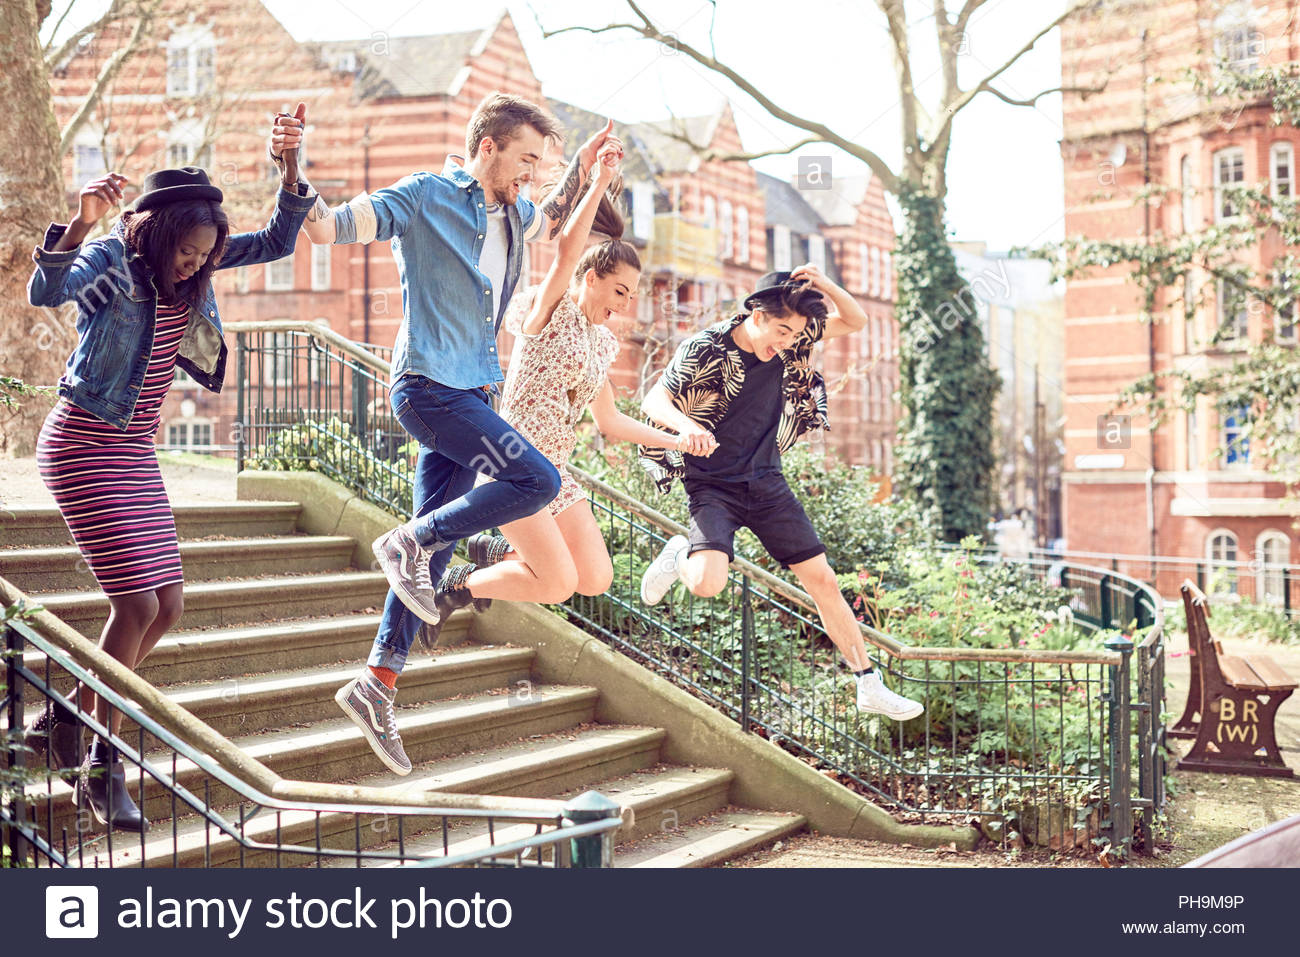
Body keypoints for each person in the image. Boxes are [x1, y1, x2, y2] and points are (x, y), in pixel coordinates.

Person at [290, 92, 619, 775]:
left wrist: (585, 175)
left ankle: (376, 683)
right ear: (487, 147)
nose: (531, 172)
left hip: (473, 391)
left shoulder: (513, 212)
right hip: (428, 389)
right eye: (524, 157)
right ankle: (404, 541)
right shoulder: (423, 195)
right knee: (537, 479)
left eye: (540, 162)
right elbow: (325, 229)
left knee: (431, 560)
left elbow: (560, 231)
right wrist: (293, 167)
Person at [25, 109, 318, 830]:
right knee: (137, 607)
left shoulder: (202, 267)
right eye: (185, 251)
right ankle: (100, 764)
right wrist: (80, 223)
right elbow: (45, 292)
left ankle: (65, 717)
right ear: (157, 233)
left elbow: (281, 238)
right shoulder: (113, 266)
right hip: (82, 445)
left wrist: (289, 166)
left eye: (204, 254)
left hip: (134, 452)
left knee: (171, 604)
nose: (193, 264)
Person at [418, 137, 711, 638]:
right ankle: (459, 585)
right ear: (592, 277)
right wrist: (597, 181)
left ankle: (492, 554)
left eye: (632, 297)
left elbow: (610, 422)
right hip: (511, 465)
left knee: (596, 578)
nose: (623, 306)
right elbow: (564, 254)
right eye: (618, 291)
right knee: (556, 583)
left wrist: (678, 439)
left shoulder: (601, 342)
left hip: (556, 472)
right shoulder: (547, 313)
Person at [637, 267, 925, 721]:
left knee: (824, 581)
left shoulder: (796, 341)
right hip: (712, 483)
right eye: (781, 330)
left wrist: (826, 287)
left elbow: (856, 321)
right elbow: (654, 401)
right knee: (709, 583)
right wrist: (688, 427)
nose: (788, 342)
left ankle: (867, 681)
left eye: (796, 333)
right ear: (756, 312)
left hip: (767, 481)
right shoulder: (706, 347)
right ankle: (679, 557)